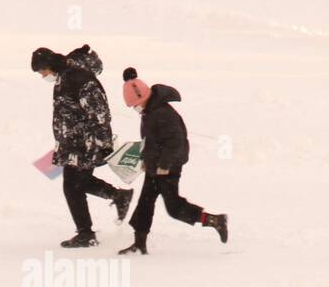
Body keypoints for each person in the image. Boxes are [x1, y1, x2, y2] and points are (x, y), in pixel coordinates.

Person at [31, 46, 132, 248]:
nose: (43, 76)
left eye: (42, 71)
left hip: (85, 144)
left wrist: (103, 143)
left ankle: (86, 233)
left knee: (72, 185)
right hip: (73, 144)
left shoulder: (78, 78)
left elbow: (98, 112)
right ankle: (118, 196)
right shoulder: (65, 77)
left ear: (49, 65)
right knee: (79, 182)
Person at [118, 67, 227, 255]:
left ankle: (215, 220)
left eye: (135, 105)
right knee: (145, 203)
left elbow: (175, 143)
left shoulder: (161, 113)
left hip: (169, 167)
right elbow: (152, 141)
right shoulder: (150, 111)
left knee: (174, 208)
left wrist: (164, 165)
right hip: (156, 165)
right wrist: (146, 159)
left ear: (142, 98)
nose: (135, 109)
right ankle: (139, 243)